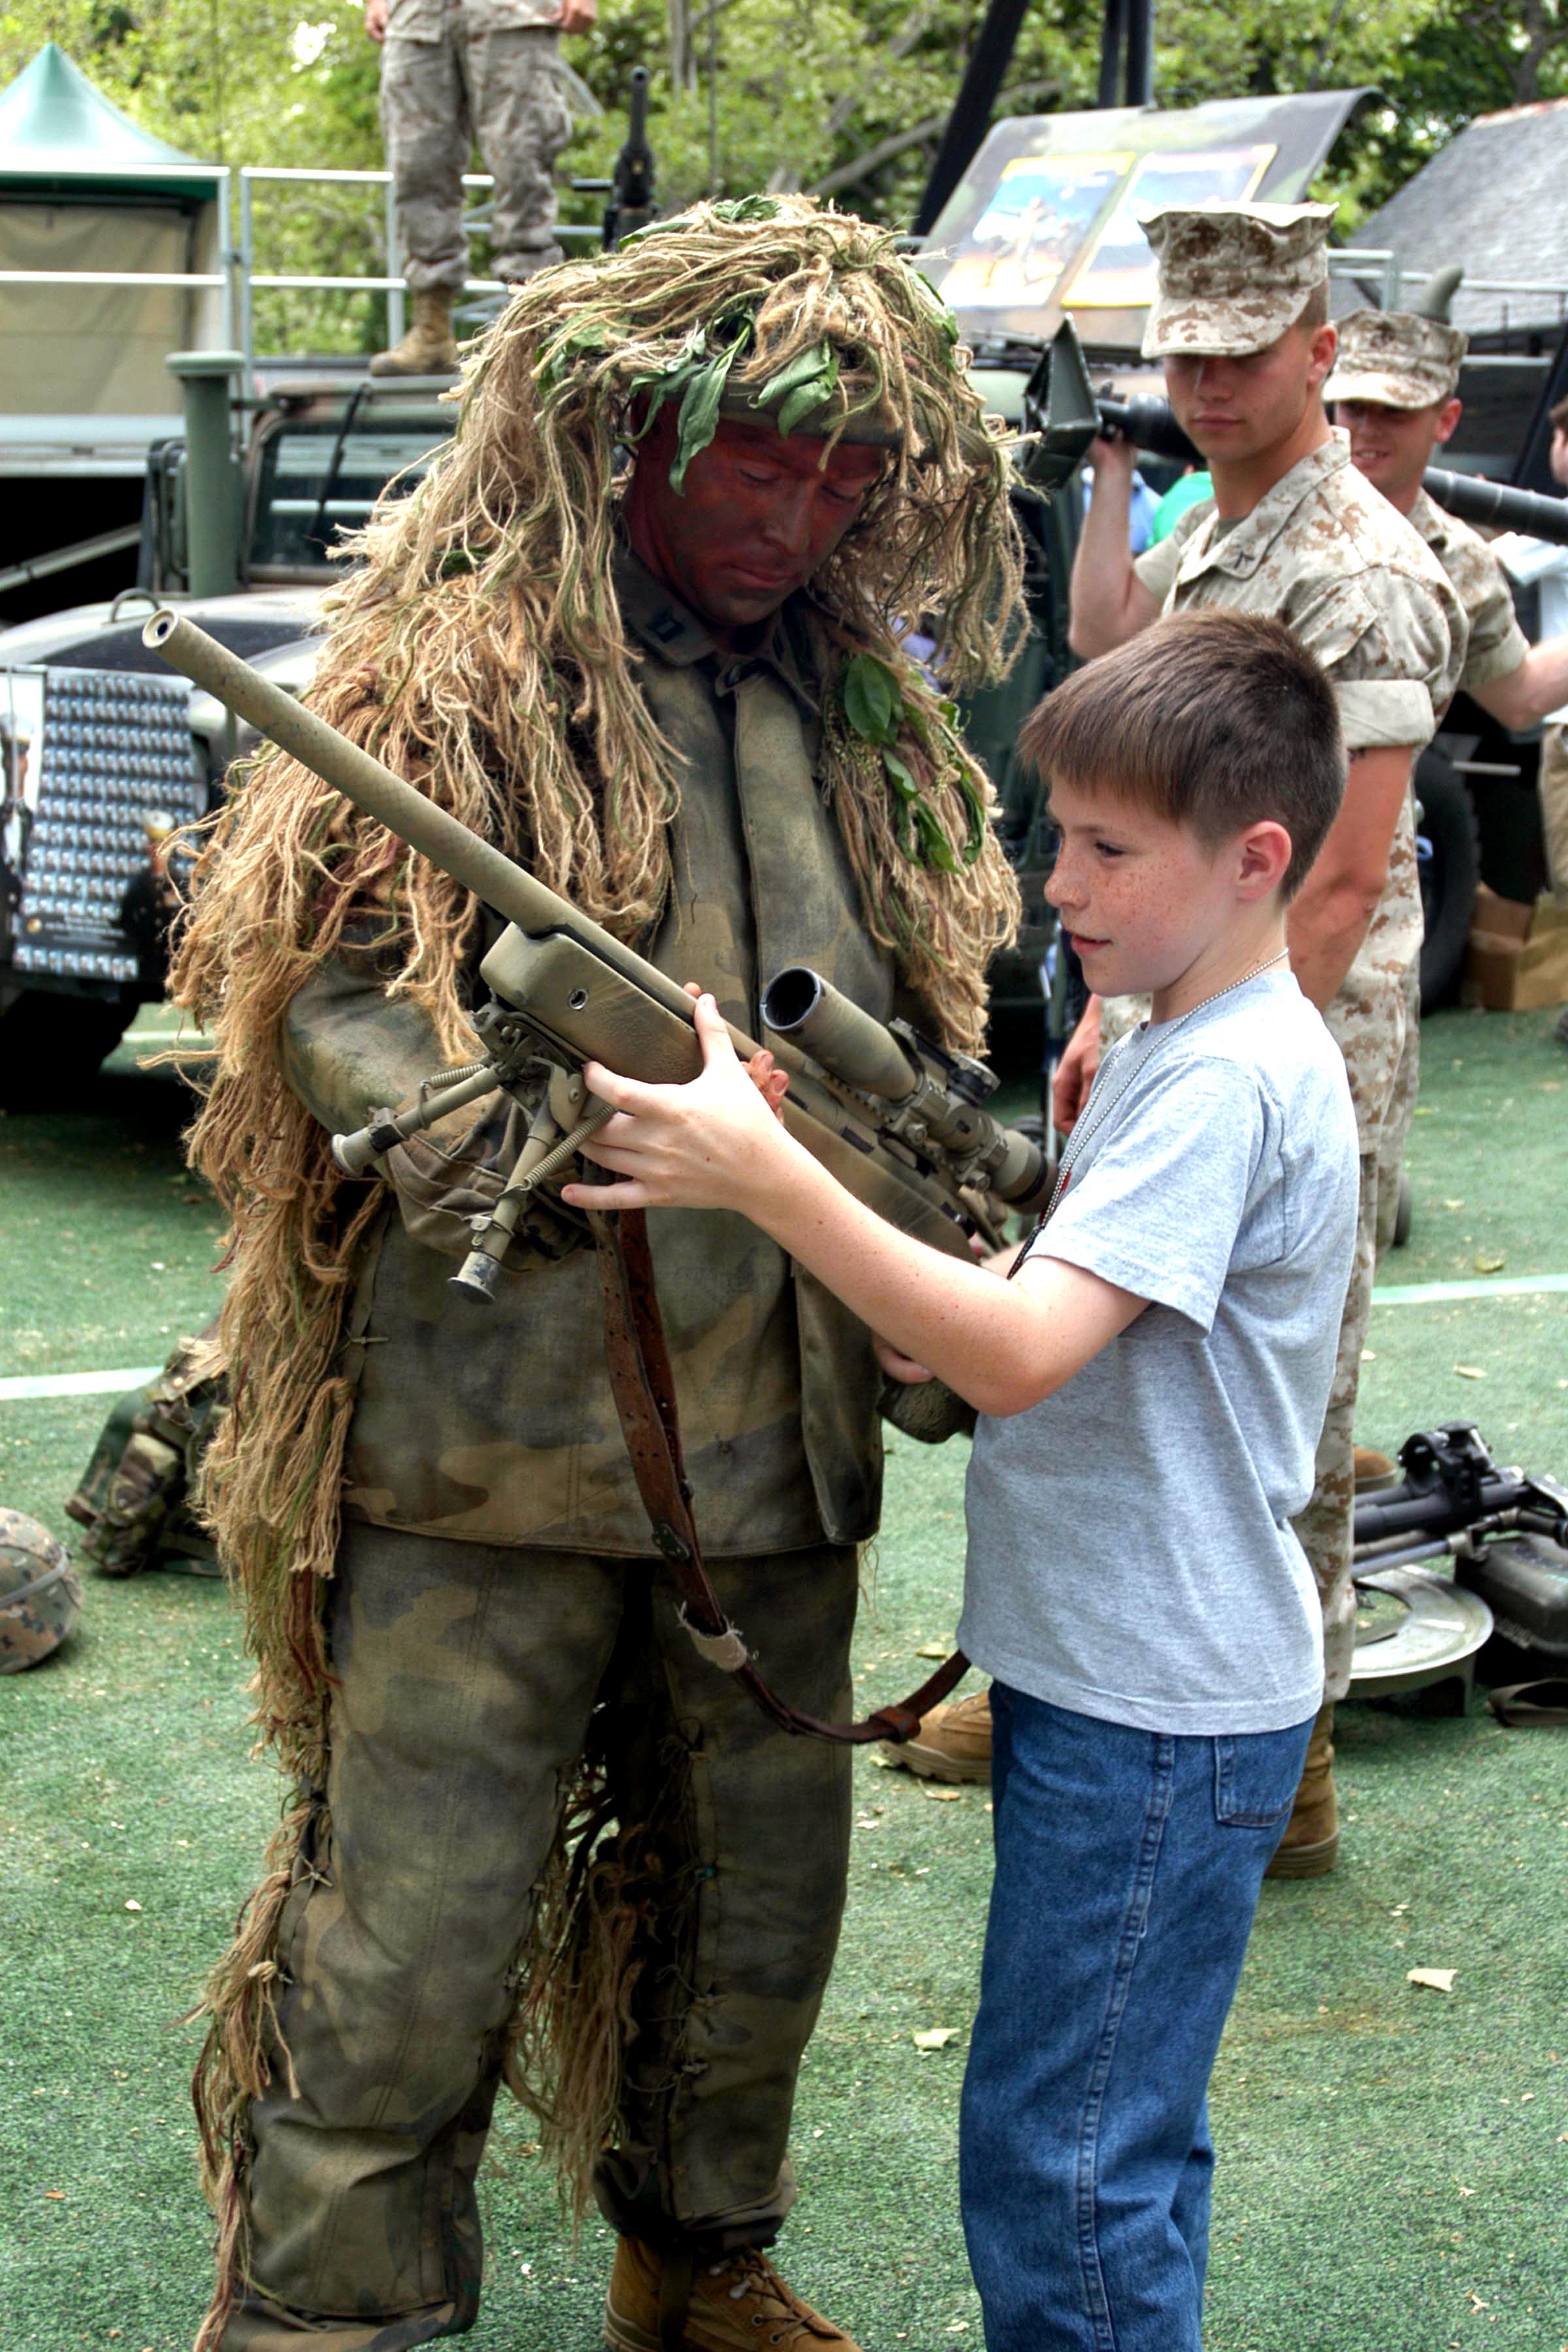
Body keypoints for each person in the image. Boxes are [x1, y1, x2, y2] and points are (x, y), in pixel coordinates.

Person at [168, 197, 1024, 2352]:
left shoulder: (857, 706)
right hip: (492, 1444)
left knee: (761, 1919)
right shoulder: (457, 673)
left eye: (844, 471)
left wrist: (942, 1203)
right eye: (760, 456)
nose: (798, 507)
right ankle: (326, 2325)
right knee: (412, 1936)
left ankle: (699, 2260)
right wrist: (456, 1127)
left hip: (784, 1438)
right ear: (626, 430)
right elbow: (321, 972)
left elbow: (918, 991)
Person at [561, 608, 1361, 2352]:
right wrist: (948, 1304)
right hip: (1138, 1688)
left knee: (1064, 2167)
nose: (1054, 882)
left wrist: (764, 1175)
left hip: (1157, 1708)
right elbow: (1053, 1329)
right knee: (1110, 2139)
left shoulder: (1224, 1077)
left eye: (1104, 849)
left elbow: (1018, 1358)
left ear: (1257, 859)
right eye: (1051, 832)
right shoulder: (1176, 1032)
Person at [902, 203, 1467, 1874]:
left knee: (1275, 1404)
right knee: (1132, 1365)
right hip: (1184, 993)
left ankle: (1274, 1763)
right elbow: (1104, 658)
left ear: (1317, 351)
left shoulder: (1361, 567)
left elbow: (1343, 869)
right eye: (1183, 356)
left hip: (1297, 1024)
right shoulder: (1214, 536)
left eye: (1239, 355)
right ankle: (1089, 1685)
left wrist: (1165, 1040)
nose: (1206, 385)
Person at [1327, 315, 1568, 1172]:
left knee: (1352, 1180)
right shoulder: (1257, 509)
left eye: (1395, 412)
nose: (1364, 431)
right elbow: (1109, 627)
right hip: (1235, 872)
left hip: (1367, 913)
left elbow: (1521, 697)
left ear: (1446, 421)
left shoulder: (1457, 558)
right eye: (1350, 406)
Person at [364, 0, 594, 376]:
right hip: (417, 15)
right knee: (416, 162)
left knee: (521, 155)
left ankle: (530, 326)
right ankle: (432, 328)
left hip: (511, 12)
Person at [1489, 393, 1568, 1035]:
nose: (1562, 451)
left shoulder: (1556, 530)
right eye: (1560, 437)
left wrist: (1470, 522)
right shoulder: (1554, 521)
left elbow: (1498, 556)